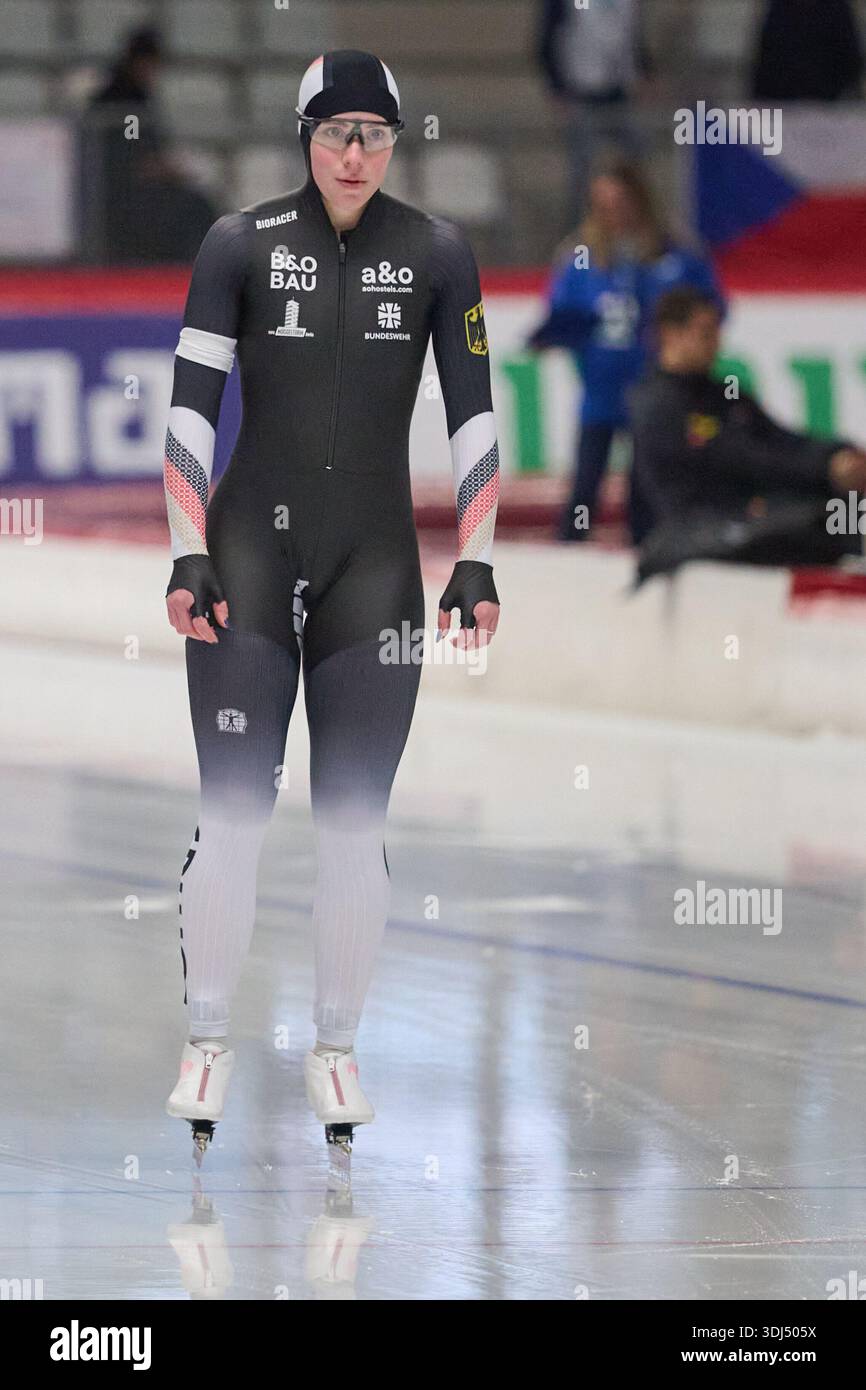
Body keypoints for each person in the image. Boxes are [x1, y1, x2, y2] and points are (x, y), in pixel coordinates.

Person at [161, 50, 501, 1160]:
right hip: (246, 566)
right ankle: (208, 1034)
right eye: (333, 132)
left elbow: (474, 418)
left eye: (374, 134)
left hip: (377, 575)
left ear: (396, 142)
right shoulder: (237, 245)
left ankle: (335, 1044)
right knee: (237, 818)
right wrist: (184, 548)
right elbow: (188, 410)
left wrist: (479, 557)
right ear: (301, 137)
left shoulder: (438, 253)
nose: (353, 154)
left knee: (355, 829)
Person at [527, 160, 722, 544]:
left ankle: (649, 565)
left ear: (638, 202)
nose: (611, 213)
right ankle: (565, 573)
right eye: (602, 204)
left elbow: (710, 308)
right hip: (600, 394)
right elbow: (559, 315)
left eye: (619, 203)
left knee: (646, 495)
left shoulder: (674, 254)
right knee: (584, 488)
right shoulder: (581, 257)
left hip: (654, 395)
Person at [630, 287, 866, 582]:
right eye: (705, 333)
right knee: (825, 520)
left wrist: (837, 454)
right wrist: (825, 470)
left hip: (752, 516)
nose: (716, 344)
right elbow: (740, 460)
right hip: (700, 529)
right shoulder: (658, 406)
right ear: (670, 334)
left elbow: (782, 440)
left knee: (848, 513)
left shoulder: (725, 395)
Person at [84, 24, 216, 262]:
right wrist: (165, 169)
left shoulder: (136, 95)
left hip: (138, 189)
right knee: (195, 207)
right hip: (124, 195)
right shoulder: (123, 100)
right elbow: (130, 155)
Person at [536, 0, 651, 225]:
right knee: (582, 166)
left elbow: (632, 35)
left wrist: (645, 72)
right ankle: (579, 229)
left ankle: (639, 225)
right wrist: (556, 86)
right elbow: (546, 39)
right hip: (582, 92)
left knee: (638, 154)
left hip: (618, 91)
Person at [752, 0, 864, 104]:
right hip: (782, 102)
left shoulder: (835, 7)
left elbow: (850, 59)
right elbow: (767, 59)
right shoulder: (780, 7)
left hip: (827, 105)